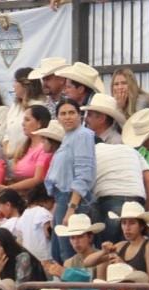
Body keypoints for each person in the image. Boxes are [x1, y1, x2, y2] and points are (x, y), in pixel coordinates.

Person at [45, 100, 96, 262]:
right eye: (63, 113)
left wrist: (71, 208)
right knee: (59, 253)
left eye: (72, 113)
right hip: (62, 198)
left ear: (79, 115)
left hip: (73, 199)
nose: (68, 117)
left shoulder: (83, 135)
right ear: (58, 118)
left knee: (69, 254)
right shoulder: (68, 137)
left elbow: (83, 173)